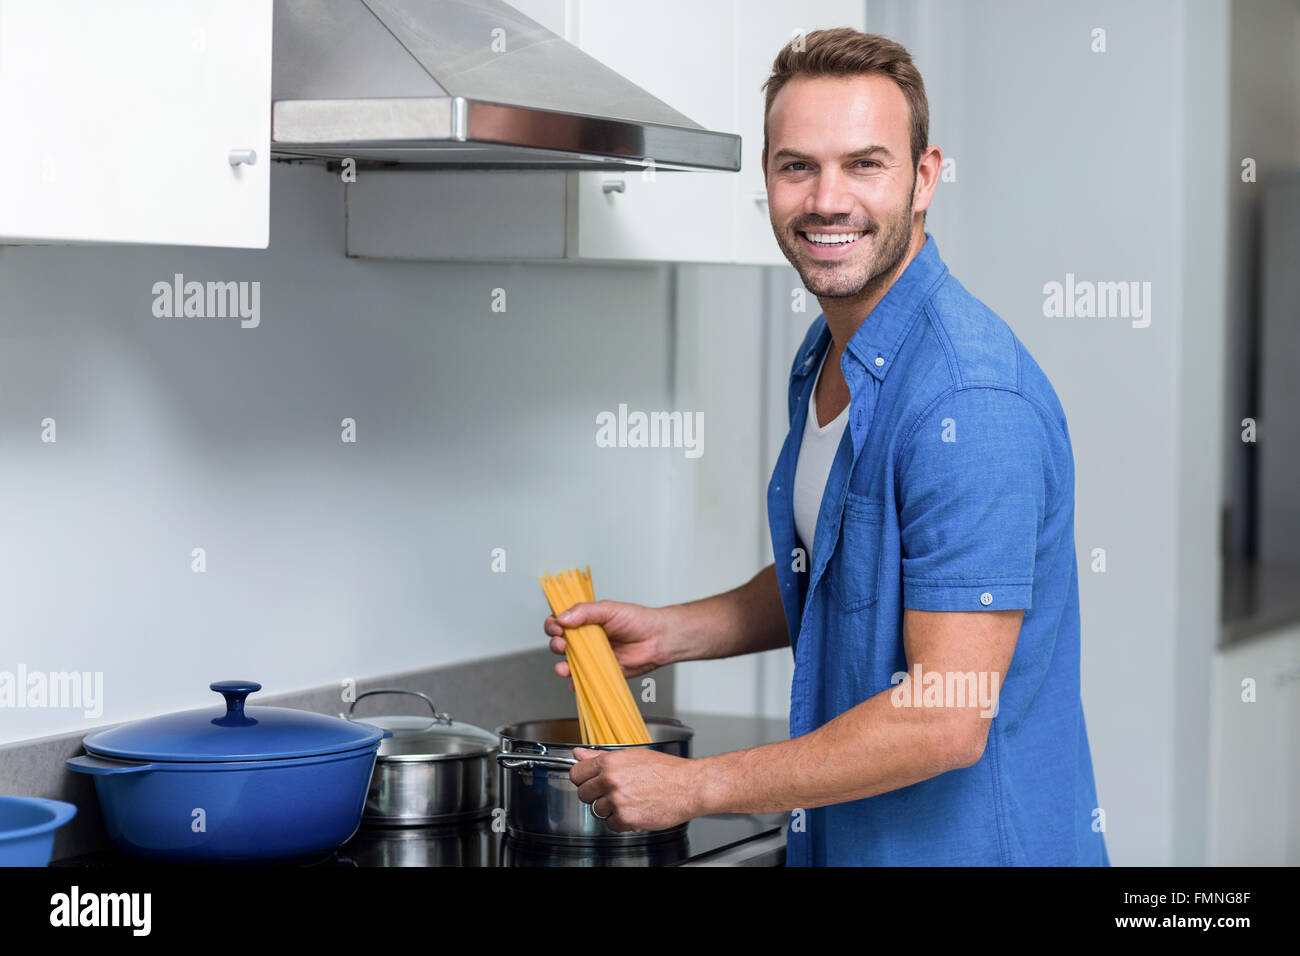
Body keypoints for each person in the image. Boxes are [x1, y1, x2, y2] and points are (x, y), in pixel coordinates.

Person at [544, 27, 1109, 866]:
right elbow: (846, 567)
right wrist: (674, 633)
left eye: (864, 164)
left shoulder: (968, 403)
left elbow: (946, 715)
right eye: (797, 165)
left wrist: (693, 786)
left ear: (924, 178)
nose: (826, 200)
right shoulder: (832, 354)